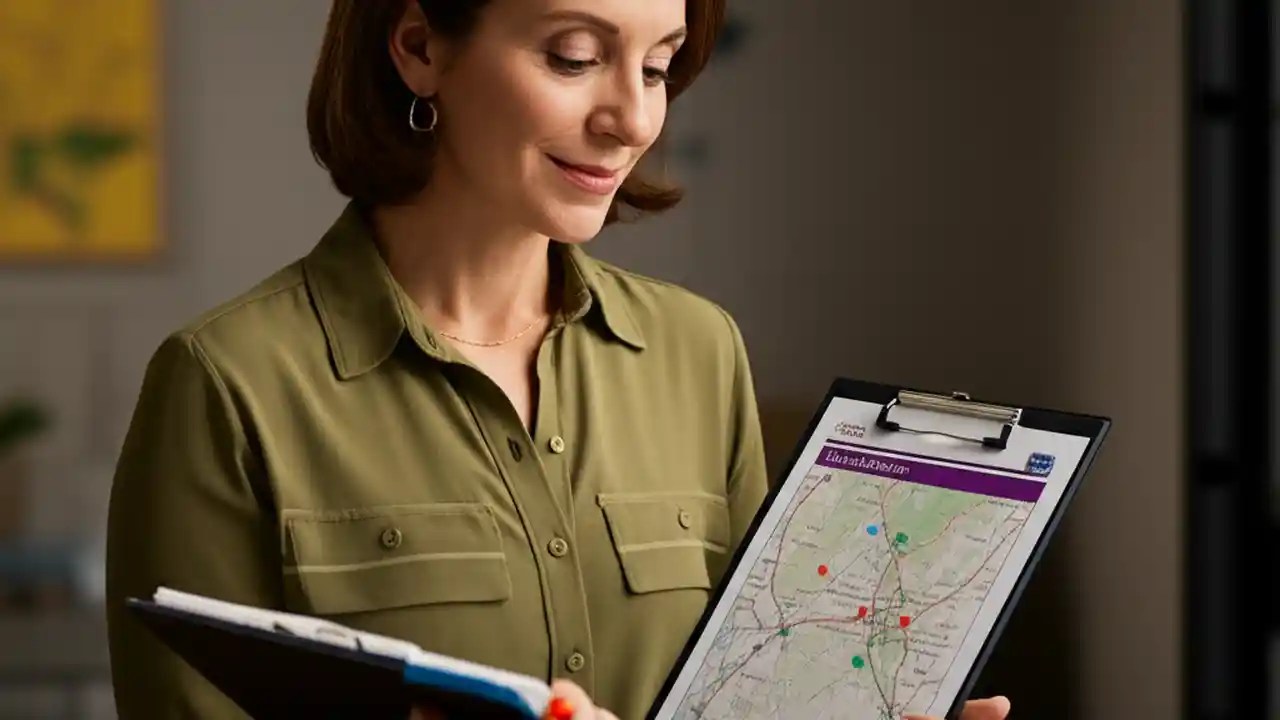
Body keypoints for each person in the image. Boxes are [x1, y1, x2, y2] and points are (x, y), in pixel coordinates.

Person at [103, 1, 1014, 718]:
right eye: (574, 58)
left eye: (657, 67)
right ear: (419, 47)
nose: (632, 119)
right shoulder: (227, 382)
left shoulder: (699, 351)